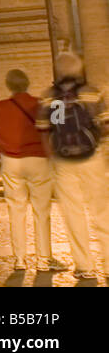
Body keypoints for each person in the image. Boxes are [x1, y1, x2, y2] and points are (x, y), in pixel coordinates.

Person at [0, 68, 66, 272]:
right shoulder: (39, 105)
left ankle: (20, 259)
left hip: (11, 161)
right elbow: (59, 122)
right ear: (27, 84)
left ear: (8, 86)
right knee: (42, 211)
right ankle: (43, 259)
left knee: (16, 210)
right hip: (38, 159)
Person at [37, 51, 109, 279]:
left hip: (64, 161)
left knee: (73, 214)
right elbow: (106, 125)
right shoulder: (92, 92)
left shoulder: (51, 97)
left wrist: (52, 156)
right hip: (92, 158)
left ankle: (85, 266)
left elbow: (47, 130)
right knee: (102, 213)